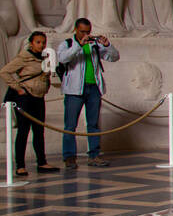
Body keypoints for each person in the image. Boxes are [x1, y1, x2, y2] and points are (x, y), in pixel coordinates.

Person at [56, 18, 119, 168]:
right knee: (70, 125)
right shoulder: (67, 44)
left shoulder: (94, 45)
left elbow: (115, 57)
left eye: (88, 32)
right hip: (74, 90)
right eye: (82, 31)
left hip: (93, 88)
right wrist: (79, 45)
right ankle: (69, 157)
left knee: (93, 124)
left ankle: (94, 155)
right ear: (76, 30)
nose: (86, 34)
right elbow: (63, 58)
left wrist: (107, 45)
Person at [1, 31, 57, 174]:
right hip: (25, 98)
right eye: (38, 42)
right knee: (23, 131)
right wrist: (18, 89)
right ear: (31, 43)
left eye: (43, 42)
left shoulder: (45, 57)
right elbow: (4, 71)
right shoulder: (24, 57)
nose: (41, 45)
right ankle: (20, 166)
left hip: (39, 97)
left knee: (39, 131)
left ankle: (42, 162)